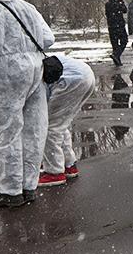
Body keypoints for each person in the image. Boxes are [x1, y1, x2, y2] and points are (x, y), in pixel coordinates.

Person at [0, 0, 55, 208]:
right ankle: (29, 187)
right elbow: (48, 39)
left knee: (7, 133)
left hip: (8, 72)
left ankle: (10, 191)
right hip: (36, 69)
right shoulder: (27, 6)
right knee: (33, 131)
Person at [38, 54, 96, 188]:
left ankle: (54, 172)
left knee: (50, 126)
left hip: (71, 79)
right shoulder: (34, 56)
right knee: (60, 124)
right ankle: (68, 164)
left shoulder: (25, 64)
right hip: (84, 74)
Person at [104, 0, 128, 66]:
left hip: (111, 27)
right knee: (124, 41)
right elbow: (125, 10)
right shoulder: (118, 4)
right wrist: (121, 1)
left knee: (115, 44)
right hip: (120, 26)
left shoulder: (107, 5)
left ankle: (117, 61)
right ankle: (116, 54)